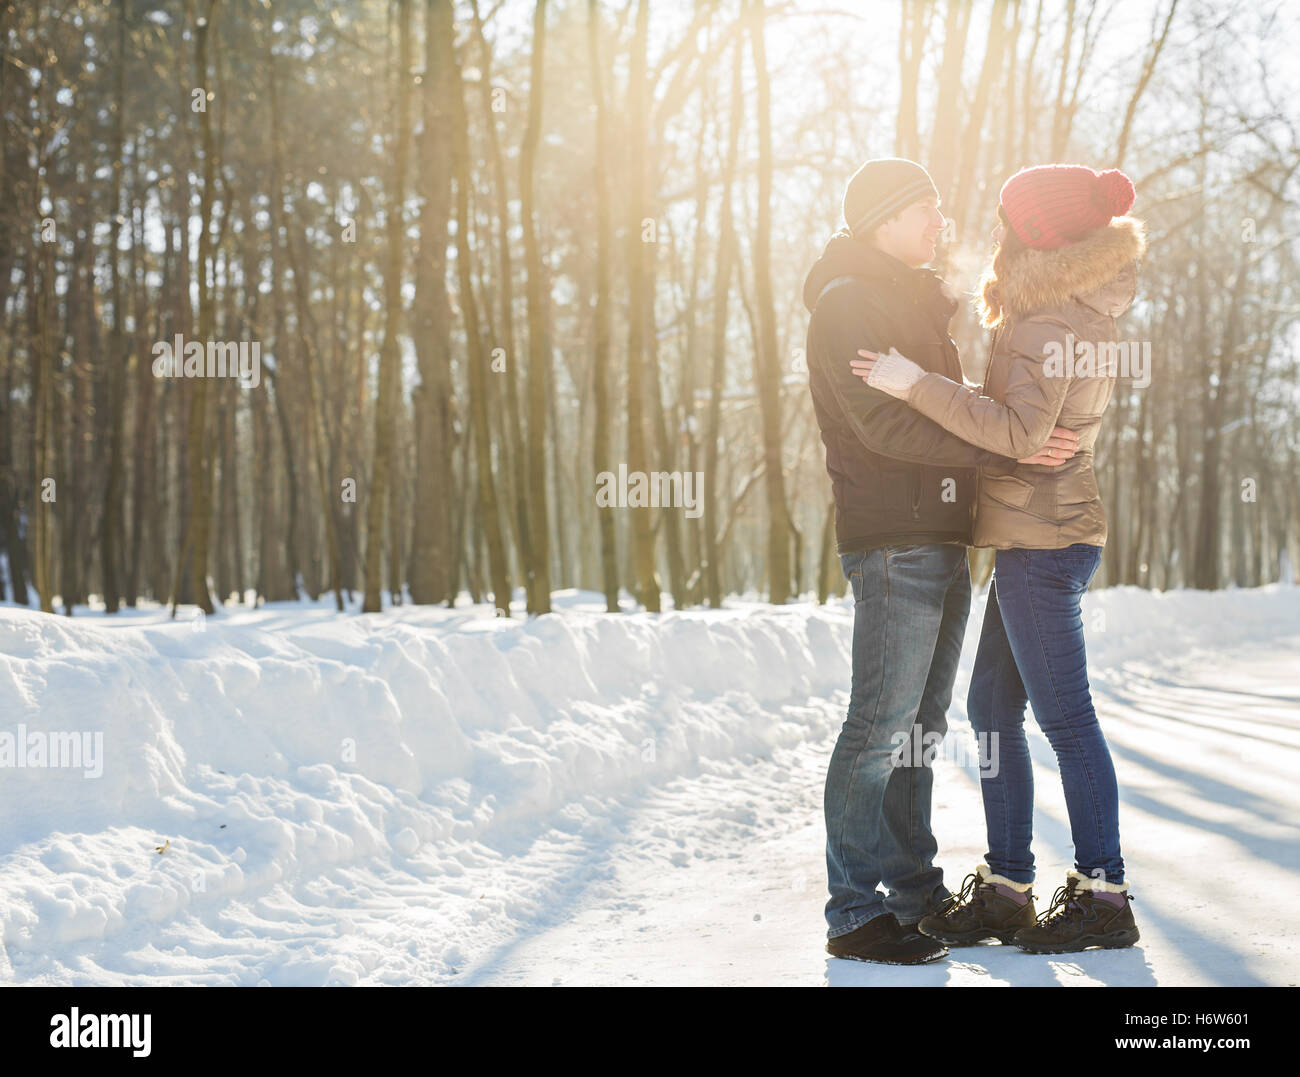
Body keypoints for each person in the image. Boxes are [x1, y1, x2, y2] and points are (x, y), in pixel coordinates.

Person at [850, 163, 1146, 954]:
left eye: (1006, 215)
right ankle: (1010, 885)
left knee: (1066, 719)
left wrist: (913, 383)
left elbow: (1017, 433)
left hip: (1043, 545)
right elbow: (1034, 429)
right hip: (1037, 535)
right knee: (990, 710)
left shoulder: (1050, 320)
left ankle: (1104, 892)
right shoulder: (1070, 308)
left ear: (1034, 233)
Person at [801, 158, 1079, 965]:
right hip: (892, 540)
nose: (938, 222)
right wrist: (998, 455)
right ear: (883, 218)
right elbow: (879, 426)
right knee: (878, 725)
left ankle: (914, 893)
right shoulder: (847, 302)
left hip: (940, 534)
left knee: (921, 728)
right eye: (925, 208)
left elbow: (935, 405)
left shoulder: (915, 301)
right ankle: (854, 910)